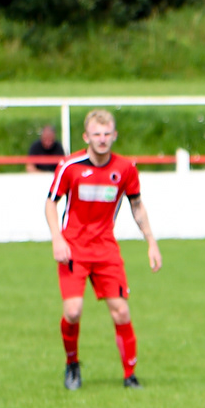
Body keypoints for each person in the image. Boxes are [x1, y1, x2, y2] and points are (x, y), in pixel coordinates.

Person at [44, 109, 161, 390]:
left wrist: (151, 241)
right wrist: (57, 238)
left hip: (106, 249)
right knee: (73, 311)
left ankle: (129, 375)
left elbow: (136, 205)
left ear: (114, 135)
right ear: (86, 137)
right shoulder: (70, 166)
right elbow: (50, 203)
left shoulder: (125, 169)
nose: (102, 139)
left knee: (121, 311)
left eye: (107, 134)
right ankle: (72, 364)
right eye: (96, 134)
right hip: (73, 248)